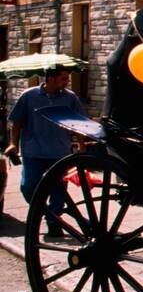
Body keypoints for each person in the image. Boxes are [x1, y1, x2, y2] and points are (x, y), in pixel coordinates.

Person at [4, 65, 86, 237]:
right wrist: (13, 144)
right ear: (50, 79)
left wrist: (81, 145)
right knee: (28, 187)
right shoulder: (29, 96)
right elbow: (16, 122)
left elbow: (80, 123)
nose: (67, 82)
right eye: (63, 78)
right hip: (33, 151)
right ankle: (45, 212)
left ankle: (53, 223)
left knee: (59, 191)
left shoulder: (70, 98)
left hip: (59, 152)